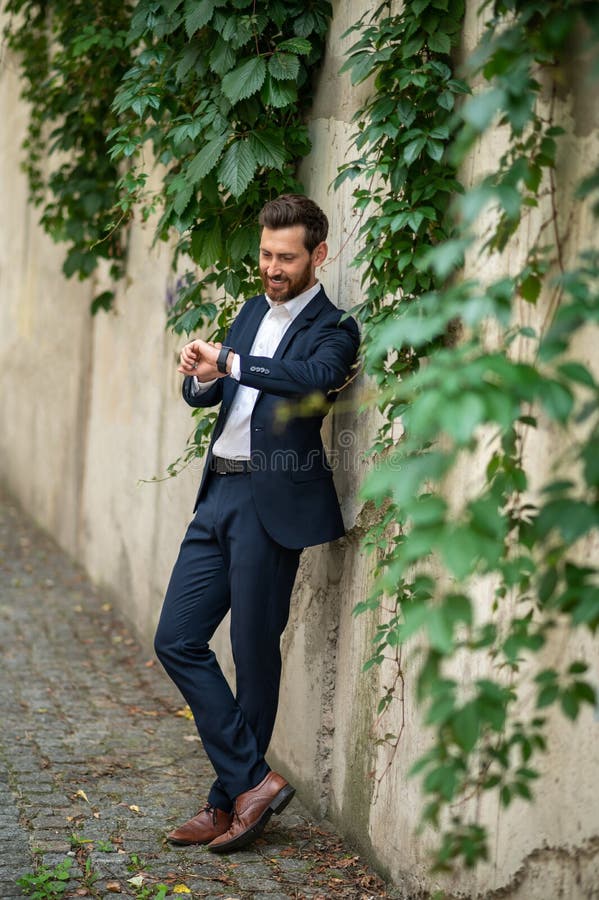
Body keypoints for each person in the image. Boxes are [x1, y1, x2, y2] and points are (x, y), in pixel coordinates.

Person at [154, 194, 360, 853]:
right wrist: (197, 373)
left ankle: (224, 805)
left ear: (317, 256)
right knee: (177, 638)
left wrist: (233, 362)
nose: (271, 269)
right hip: (217, 493)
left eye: (286, 258)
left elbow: (314, 377)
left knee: (251, 652)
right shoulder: (247, 311)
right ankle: (251, 782)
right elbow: (214, 390)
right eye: (266, 256)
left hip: (270, 508)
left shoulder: (334, 329)